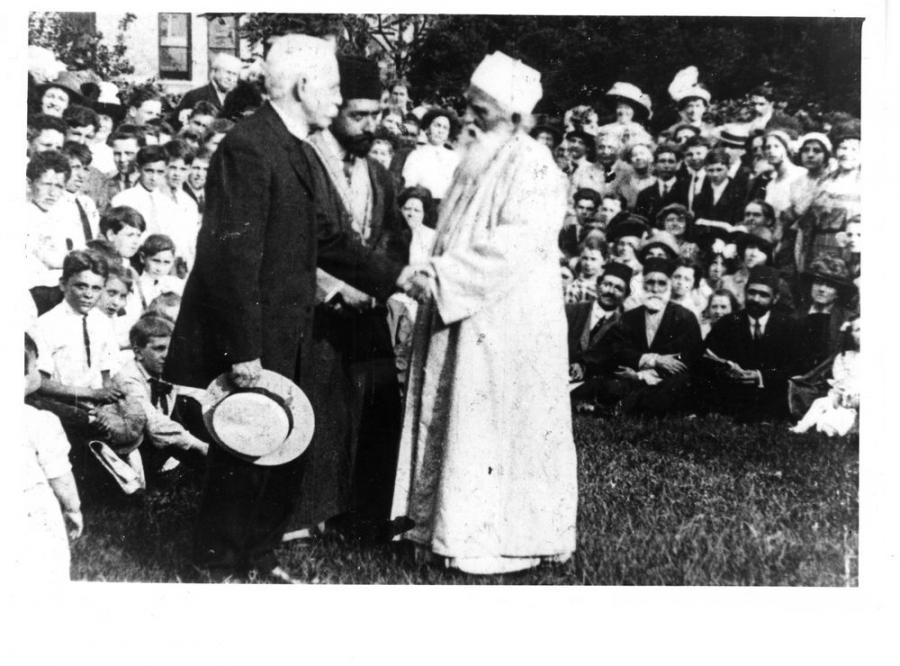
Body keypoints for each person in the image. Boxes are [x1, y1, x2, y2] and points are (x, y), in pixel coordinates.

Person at [163, 35, 406, 584]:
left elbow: (326, 237)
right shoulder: (249, 147)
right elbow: (230, 258)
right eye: (334, 88)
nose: (338, 100)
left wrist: (397, 278)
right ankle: (212, 566)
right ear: (303, 86)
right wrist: (243, 351)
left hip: (289, 328)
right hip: (256, 334)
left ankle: (258, 556)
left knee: (282, 448)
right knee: (244, 449)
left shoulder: (292, 147)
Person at [391, 51, 577, 575]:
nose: (468, 120)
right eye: (467, 107)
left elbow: (515, 246)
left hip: (507, 321)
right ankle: (437, 528)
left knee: (490, 425)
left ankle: (492, 541)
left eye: (482, 111)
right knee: (456, 419)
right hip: (463, 312)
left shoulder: (534, 165)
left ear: (515, 118)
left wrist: (442, 277)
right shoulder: (474, 159)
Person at [294, 55, 410, 540]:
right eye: (358, 116)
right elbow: (291, 242)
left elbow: (395, 237)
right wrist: (334, 288)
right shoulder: (301, 162)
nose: (369, 126)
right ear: (334, 110)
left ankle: (364, 514)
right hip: (316, 311)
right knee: (318, 409)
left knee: (375, 408)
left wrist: (373, 287)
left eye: (376, 115)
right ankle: (308, 513)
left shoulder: (380, 174)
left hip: (368, 310)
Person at [113, 314, 209, 484]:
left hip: (159, 436)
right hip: (136, 444)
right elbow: (155, 424)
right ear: (138, 352)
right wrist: (200, 446)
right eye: (159, 349)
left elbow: (197, 392)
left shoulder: (165, 368)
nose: (167, 355)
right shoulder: (128, 379)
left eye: (171, 349)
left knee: (194, 405)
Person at [603, 257, 703, 415]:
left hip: (663, 380)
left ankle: (628, 406)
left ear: (669, 285)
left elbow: (687, 358)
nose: (655, 289)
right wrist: (654, 360)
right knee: (611, 384)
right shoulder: (629, 317)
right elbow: (617, 349)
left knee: (678, 385)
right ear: (642, 284)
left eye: (661, 283)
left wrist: (641, 376)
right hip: (631, 377)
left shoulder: (685, 317)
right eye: (650, 282)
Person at [21, 333, 84, 582]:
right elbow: (60, 475)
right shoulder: (39, 421)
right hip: (31, 510)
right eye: (35, 366)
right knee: (45, 568)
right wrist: (72, 509)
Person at [700, 265, 798, 421]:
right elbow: (706, 357)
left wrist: (761, 376)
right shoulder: (727, 323)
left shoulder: (789, 327)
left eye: (764, 295)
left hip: (770, 394)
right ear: (745, 292)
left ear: (775, 298)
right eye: (752, 292)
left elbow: (794, 366)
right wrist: (727, 369)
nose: (756, 299)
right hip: (733, 393)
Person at [566, 262, 633, 409]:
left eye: (618, 288)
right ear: (597, 286)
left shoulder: (625, 325)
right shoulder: (571, 311)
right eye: (607, 284)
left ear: (626, 295)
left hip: (592, 382)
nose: (610, 291)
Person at [789, 316, 859, 436]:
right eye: (858, 330)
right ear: (850, 334)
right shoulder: (844, 357)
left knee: (845, 417)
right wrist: (842, 393)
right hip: (843, 396)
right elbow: (840, 379)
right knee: (820, 403)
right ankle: (801, 427)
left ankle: (832, 427)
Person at [401, 107, 460, 201]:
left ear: (448, 133)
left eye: (445, 128)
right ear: (427, 129)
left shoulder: (454, 157)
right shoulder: (416, 155)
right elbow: (409, 185)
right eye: (437, 126)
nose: (440, 131)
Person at [172, 53, 242, 128]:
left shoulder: (239, 98)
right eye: (228, 72)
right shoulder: (195, 95)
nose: (230, 78)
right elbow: (175, 125)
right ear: (215, 71)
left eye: (234, 74)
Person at [634, 144, 687, 221]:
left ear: (678, 165)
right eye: (662, 161)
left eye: (671, 162)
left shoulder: (686, 190)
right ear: (655, 164)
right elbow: (640, 222)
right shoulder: (645, 194)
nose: (666, 165)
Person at [564, 235, 608, 304]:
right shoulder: (575, 287)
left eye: (593, 259)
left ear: (604, 260)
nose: (588, 263)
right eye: (585, 258)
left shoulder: (609, 280)